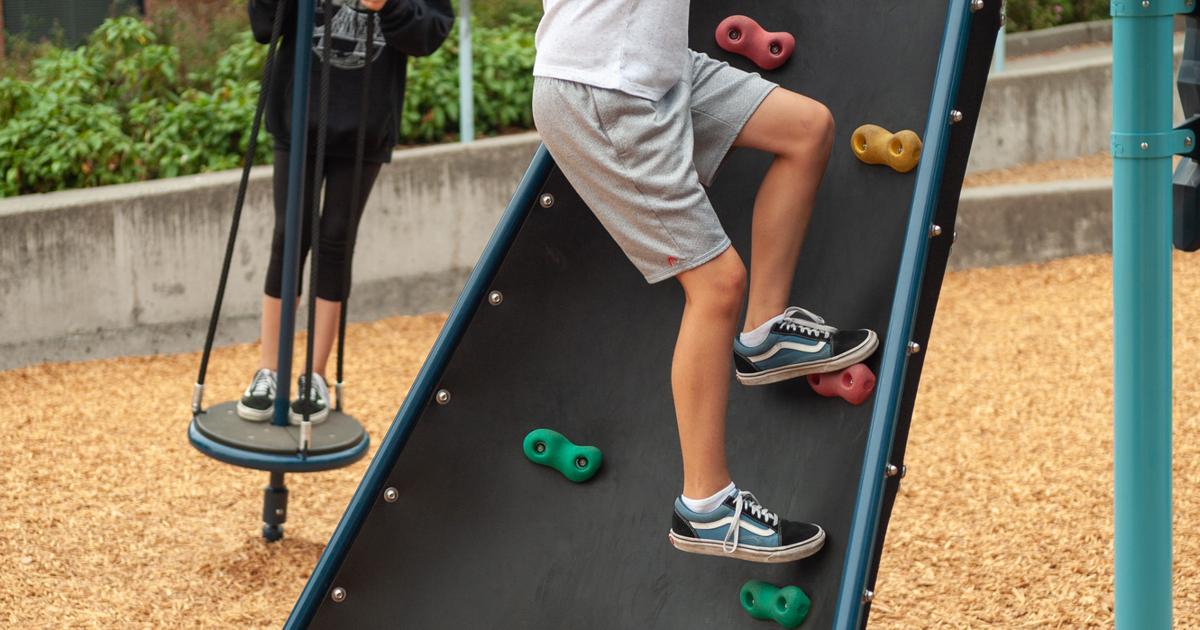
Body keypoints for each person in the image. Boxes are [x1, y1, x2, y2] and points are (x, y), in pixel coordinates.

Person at [531, 1, 878, 563]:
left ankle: (767, 334)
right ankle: (706, 505)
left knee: (806, 129)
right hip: (603, 89)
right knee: (716, 285)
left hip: (661, 70)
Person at [238, 0, 452, 424]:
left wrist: (387, 6)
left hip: (365, 124)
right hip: (299, 114)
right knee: (290, 234)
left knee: (335, 239)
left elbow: (429, 33)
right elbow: (265, 25)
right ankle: (269, 371)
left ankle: (313, 377)